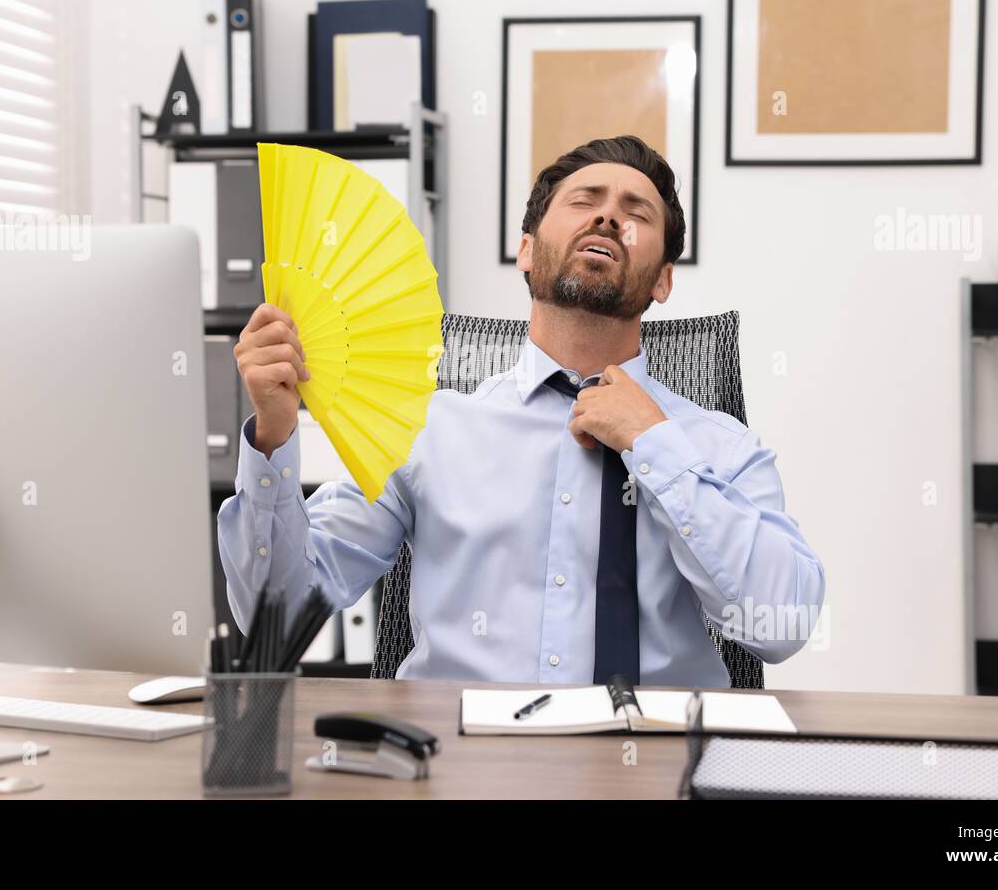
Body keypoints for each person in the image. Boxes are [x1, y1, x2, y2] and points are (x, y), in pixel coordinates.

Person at [218, 135, 825, 686]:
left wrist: (654, 443)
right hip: (462, 768)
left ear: (662, 281)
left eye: (636, 213)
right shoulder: (424, 429)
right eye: (586, 199)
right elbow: (278, 613)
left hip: (656, 768)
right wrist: (273, 436)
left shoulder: (717, 446)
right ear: (527, 253)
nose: (609, 215)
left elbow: (784, 622)